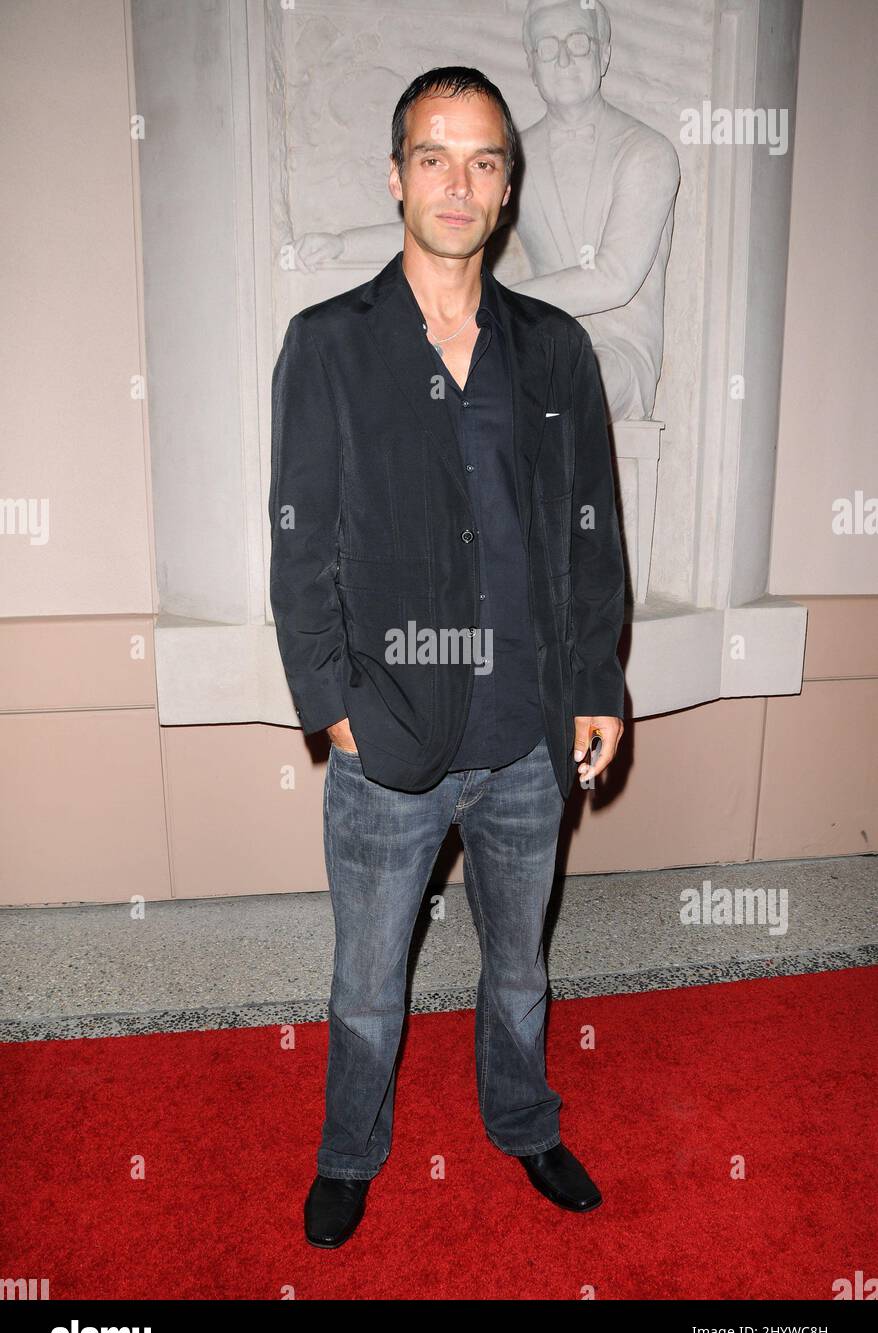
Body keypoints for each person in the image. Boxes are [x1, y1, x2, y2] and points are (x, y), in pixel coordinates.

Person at [269, 67, 626, 1250]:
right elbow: (299, 540)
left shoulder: (555, 350)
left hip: (526, 738)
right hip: (389, 742)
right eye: (434, 156)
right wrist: (333, 709)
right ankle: (348, 1150)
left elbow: (588, 534)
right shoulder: (328, 346)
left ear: (506, 187)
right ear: (395, 177)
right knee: (368, 976)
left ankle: (523, 1123)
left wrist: (595, 690)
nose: (457, 182)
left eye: (482, 161)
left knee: (518, 966)